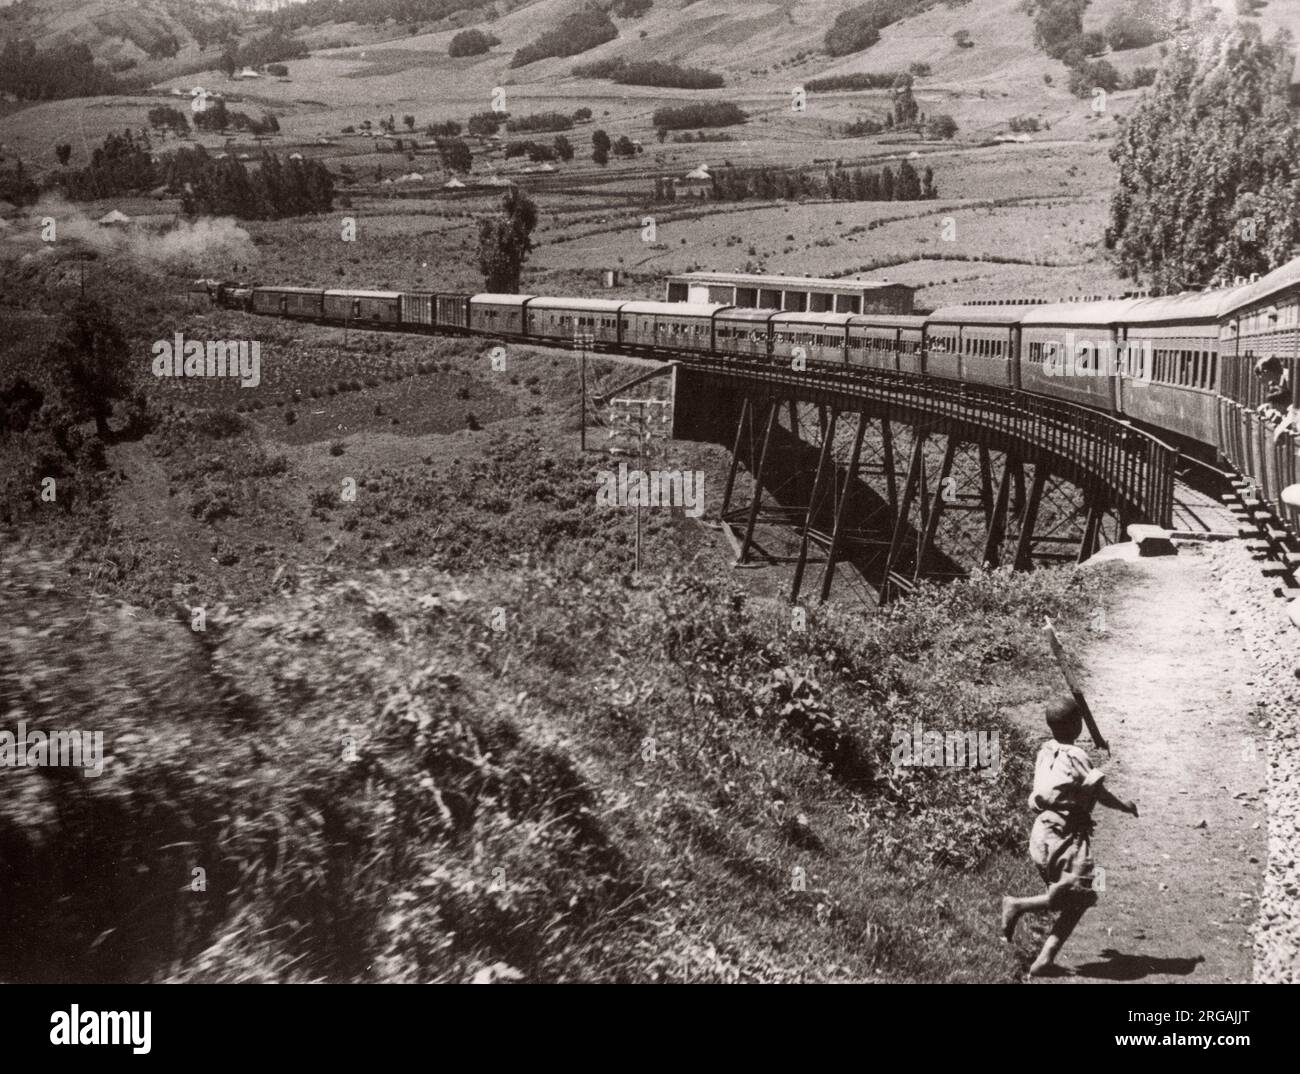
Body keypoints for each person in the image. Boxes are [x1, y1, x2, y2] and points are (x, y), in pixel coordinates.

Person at [1000, 697, 1138, 976]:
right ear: (1078, 725)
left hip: (1042, 830)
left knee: (1078, 897)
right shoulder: (1076, 756)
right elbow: (1098, 792)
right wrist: (1124, 805)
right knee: (1079, 894)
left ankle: (1044, 959)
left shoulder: (1045, 750)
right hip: (1065, 835)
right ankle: (1017, 905)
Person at [1253, 356, 1298, 442]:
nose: (1263, 383)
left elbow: (1293, 403)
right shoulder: (1276, 380)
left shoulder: (1290, 378)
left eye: (1261, 379)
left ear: (1265, 372)